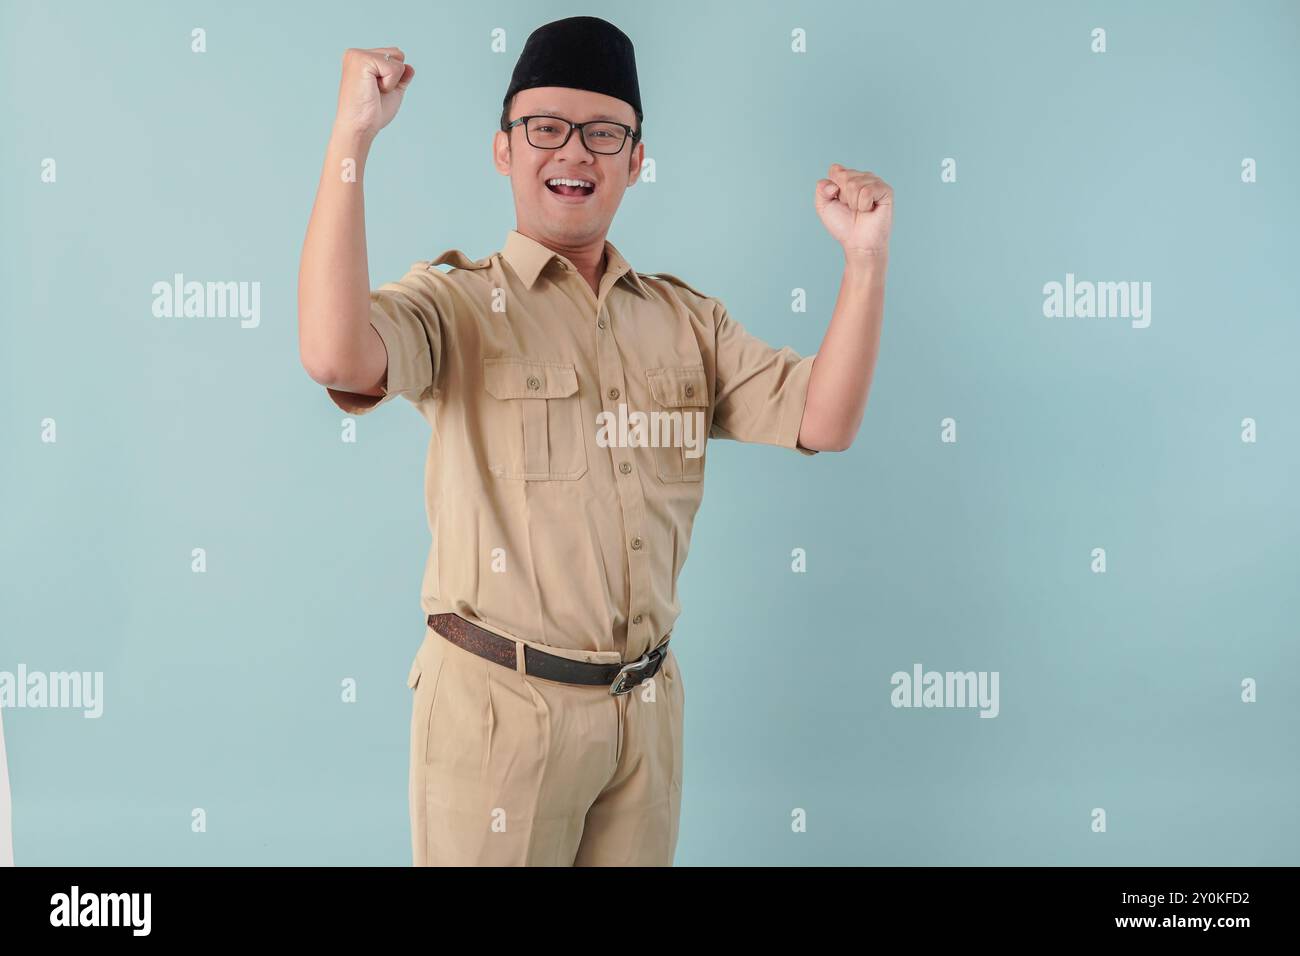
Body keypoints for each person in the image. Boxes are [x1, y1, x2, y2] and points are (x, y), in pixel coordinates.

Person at [298, 15, 891, 866]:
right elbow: (333, 350)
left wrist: (865, 263)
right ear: (504, 149)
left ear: (635, 160)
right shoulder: (455, 304)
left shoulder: (685, 321)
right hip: (501, 717)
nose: (574, 153)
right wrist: (353, 134)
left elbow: (824, 420)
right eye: (545, 128)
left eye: (604, 134)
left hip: (644, 714)